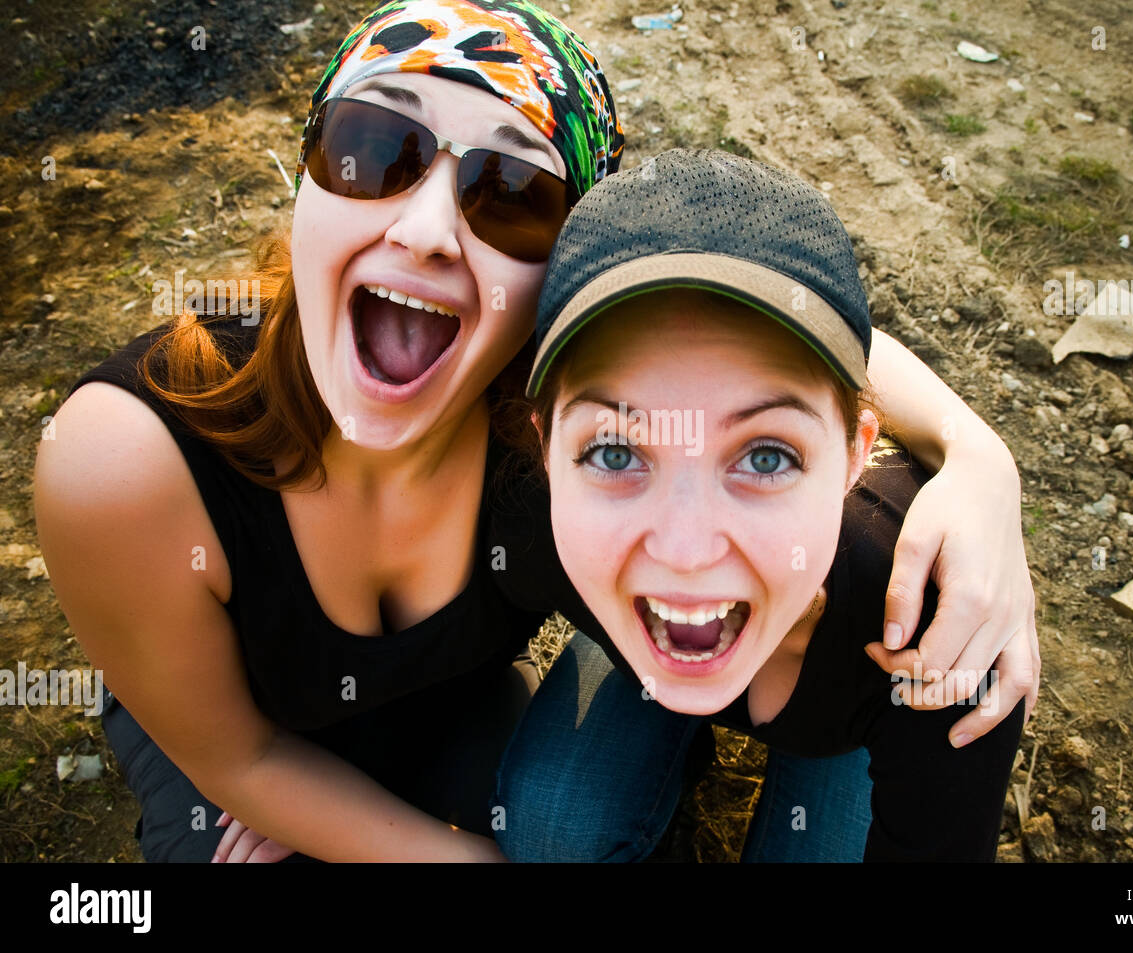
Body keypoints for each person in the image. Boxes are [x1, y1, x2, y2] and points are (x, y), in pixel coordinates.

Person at [33, 1, 1035, 863]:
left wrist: (977, 459)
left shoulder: (542, 423)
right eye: (374, 149)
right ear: (307, 186)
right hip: (232, 724)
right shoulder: (130, 460)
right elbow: (236, 756)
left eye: (510, 195)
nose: (425, 227)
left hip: (452, 710)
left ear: (564, 286)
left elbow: (771, 325)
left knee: (554, 823)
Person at [493, 149, 1023, 861]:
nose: (685, 551)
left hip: (857, 709)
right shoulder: (520, 516)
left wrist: (985, 461)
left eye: (765, 456)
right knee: (551, 829)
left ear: (855, 455)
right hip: (634, 652)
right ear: (546, 448)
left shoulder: (940, 625)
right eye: (616, 454)